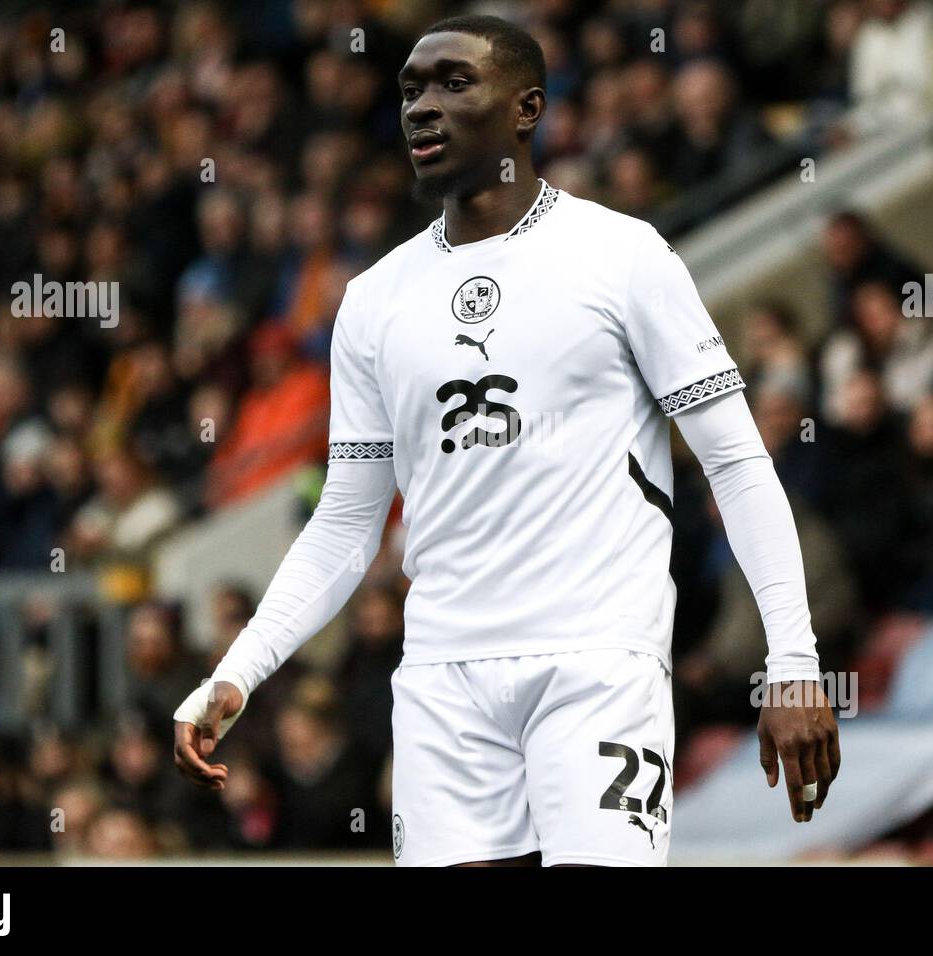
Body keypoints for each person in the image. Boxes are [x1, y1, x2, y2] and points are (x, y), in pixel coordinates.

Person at [173, 14, 839, 868]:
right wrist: (240, 668)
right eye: (411, 89)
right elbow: (345, 522)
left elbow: (736, 461)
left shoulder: (621, 256)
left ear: (527, 109)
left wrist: (793, 658)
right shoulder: (374, 302)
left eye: (454, 83)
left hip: (596, 660)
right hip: (443, 676)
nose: (422, 107)